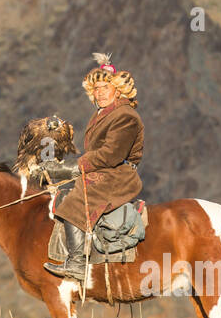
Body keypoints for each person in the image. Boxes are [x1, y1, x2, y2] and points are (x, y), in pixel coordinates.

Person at [40, 53, 144, 281]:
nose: (100, 92)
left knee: (73, 204)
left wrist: (71, 169)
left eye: (106, 87)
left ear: (117, 90)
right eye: (96, 89)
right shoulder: (103, 114)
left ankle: (77, 264)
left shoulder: (125, 116)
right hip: (103, 171)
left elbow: (110, 155)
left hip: (117, 175)